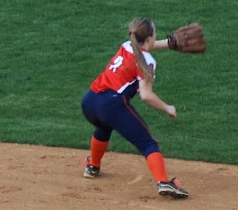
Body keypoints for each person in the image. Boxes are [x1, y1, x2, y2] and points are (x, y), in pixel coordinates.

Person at [81, 17, 190, 199]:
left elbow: (145, 47)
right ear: (148, 38)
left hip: (90, 101)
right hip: (111, 105)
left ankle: (93, 166)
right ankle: (163, 182)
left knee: (104, 126)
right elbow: (146, 95)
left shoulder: (127, 45)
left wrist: (169, 43)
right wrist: (167, 107)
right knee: (148, 143)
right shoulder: (147, 63)